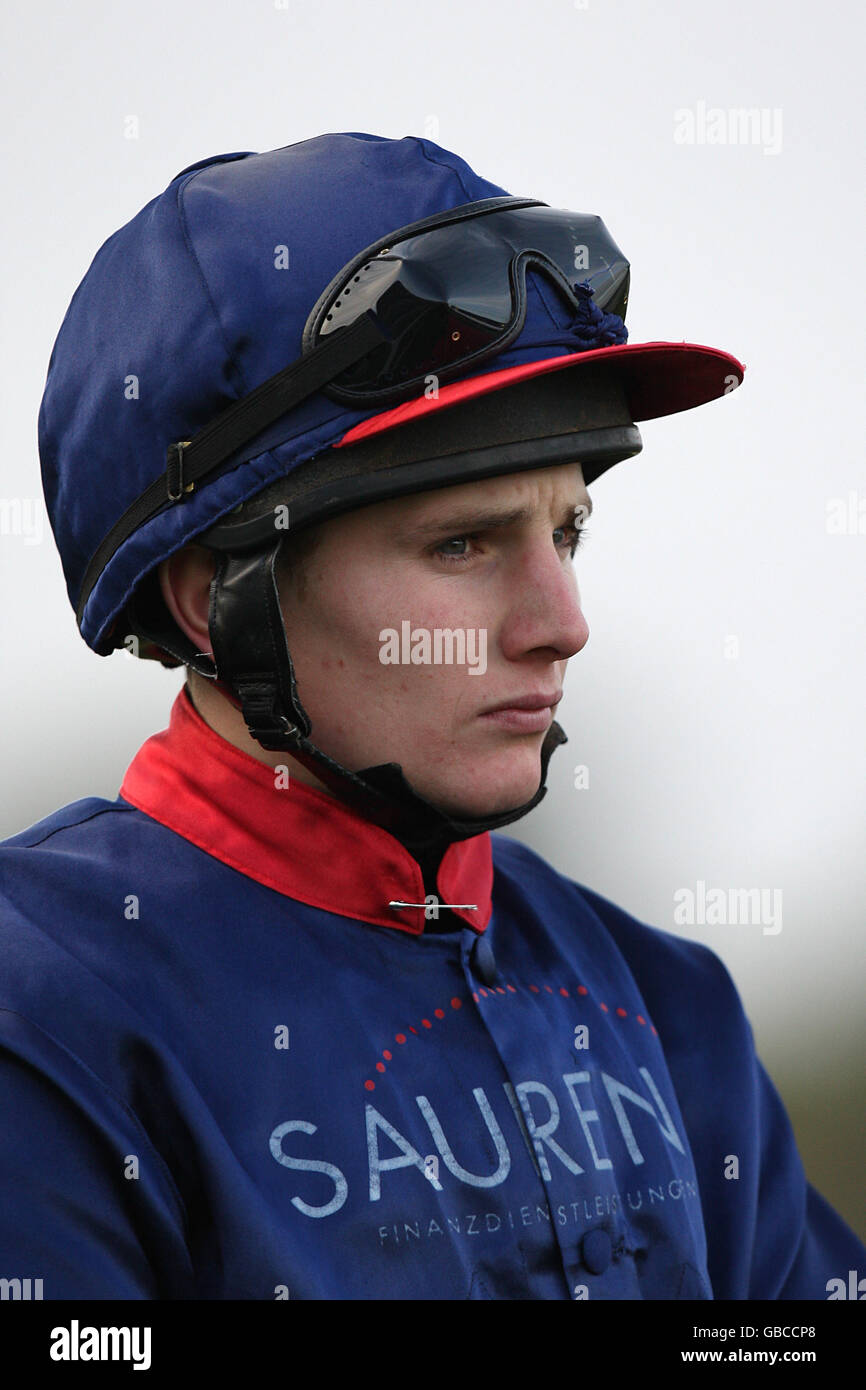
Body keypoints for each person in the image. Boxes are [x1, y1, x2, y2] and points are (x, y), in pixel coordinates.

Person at [1, 132, 862, 1301]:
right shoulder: (36, 1014)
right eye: (461, 543)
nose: (559, 623)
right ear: (214, 603)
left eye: (565, 533)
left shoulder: (669, 1003)